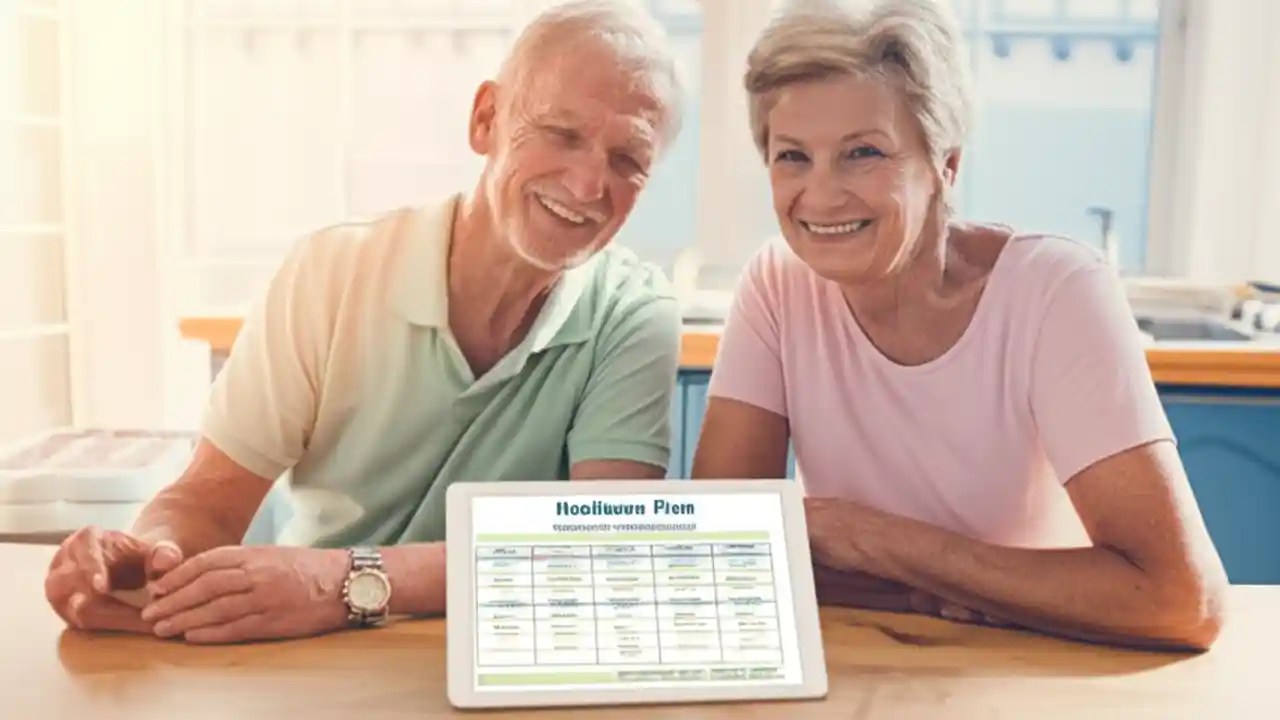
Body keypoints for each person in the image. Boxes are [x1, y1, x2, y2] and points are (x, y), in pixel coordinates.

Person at [45, 0, 685, 644]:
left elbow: (604, 548)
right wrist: (147, 560)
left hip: (499, 658)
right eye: (561, 133)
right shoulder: (332, 272)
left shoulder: (634, 313)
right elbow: (207, 502)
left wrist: (347, 583)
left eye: (627, 159)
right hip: (311, 661)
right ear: (486, 118)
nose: (585, 184)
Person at [692, 0, 1229, 650]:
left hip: (1045, 666)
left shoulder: (1056, 292)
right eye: (792, 157)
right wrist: (941, 584)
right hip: (876, 656)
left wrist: (875, 540)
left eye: (863, 153)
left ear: (946, 165)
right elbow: (719, 550)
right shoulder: (777, 285)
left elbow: (1182, 599)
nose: (822, 194)